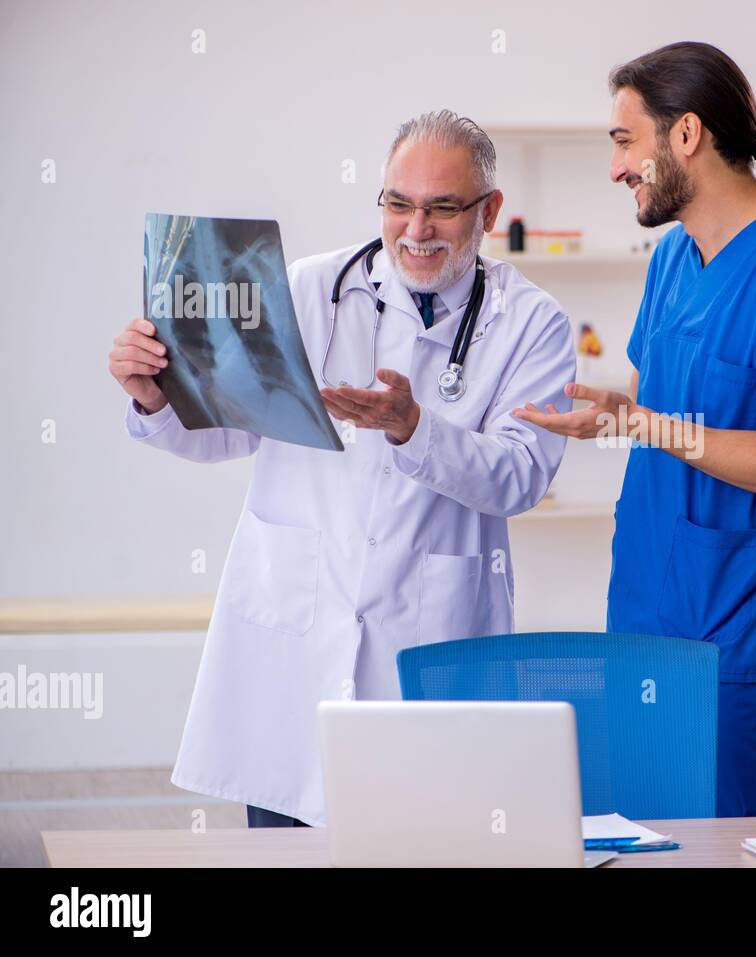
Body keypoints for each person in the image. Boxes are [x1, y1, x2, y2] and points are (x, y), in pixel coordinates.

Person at [109, 110, 576, 827]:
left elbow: (520, 477)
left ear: (489, 212)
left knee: (421, 838)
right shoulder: (305, 287)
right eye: (398, 203)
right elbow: (229, 435)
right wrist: (155, 400)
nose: (415, 229)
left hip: (429, 655)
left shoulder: (532, 322)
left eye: (442, 208)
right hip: (292, 654)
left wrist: (413, 428)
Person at [516, 43, 756, 816]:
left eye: (623, 141)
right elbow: (661, 409)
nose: (616, 168)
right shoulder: (675, 258)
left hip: (741, 643)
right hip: (648, 619)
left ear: (686, 135)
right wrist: (607, 419)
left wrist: (644, 424)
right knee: (637, 848)